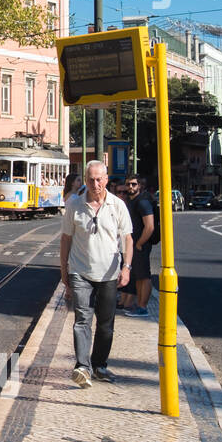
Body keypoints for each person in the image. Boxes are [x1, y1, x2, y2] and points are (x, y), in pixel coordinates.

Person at [59, 159, 133, 387]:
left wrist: (126, 267)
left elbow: (127, 238)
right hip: (80, 271)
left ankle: (99, 365)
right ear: (86, 180)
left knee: (105, 324)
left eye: (99, 179)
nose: (95, 184)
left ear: (106, 180)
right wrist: (64, 269)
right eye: (91, 180)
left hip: (109, 273)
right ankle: (82, 367)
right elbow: (66, 239)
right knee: (82, 319)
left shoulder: (117, 205)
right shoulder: (75, 205)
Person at [118, 176, 156, 316]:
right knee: (138, 276)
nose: (130, 187)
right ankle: (139, 305)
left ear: (139, 185)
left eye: (133, 184)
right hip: (134, 245)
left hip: (141, 245)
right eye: (128, 184)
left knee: (144, 276)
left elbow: (150, 226)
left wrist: (139, 243)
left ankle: (142, 307)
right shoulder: (132, 201)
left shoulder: (142, 203)